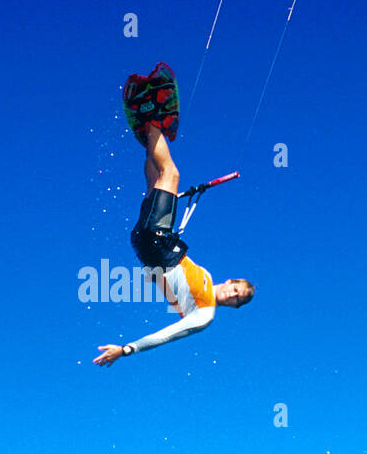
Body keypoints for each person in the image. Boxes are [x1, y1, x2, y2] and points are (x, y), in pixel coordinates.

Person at [94, 64, 254, 366]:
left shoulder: (205, 315)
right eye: (236, 289)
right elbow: (167, 279)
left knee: (171, 174)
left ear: (233, 307)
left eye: (236, 299)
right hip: (153, 245)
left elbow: (168, 334)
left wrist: (127, 349)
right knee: (156, 181)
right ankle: (149, 138)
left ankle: (151, 119)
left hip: (156, 246)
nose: (232, 295)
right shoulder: (205, 277)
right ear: (230, 280)